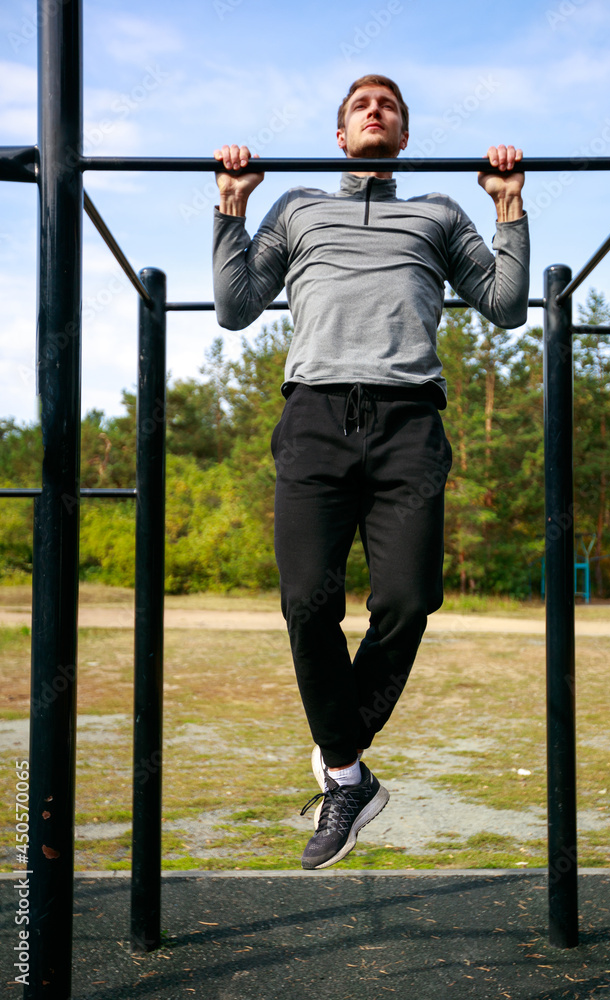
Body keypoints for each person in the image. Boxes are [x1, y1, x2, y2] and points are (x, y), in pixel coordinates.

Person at [212, 74, 529, 870]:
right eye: (361, 105)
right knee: (304, 603)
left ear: (405, 137)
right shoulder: (297, 208)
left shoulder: (437, 213)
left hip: (408, 423)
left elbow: (506, 304)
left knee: (409, 598)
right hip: (315, 418)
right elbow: (234, 307)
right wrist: (232, 206)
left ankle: (337, 759)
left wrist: (507, 206)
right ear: (341, 135)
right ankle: (349, 775)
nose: (375, 110)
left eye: (388, 105)